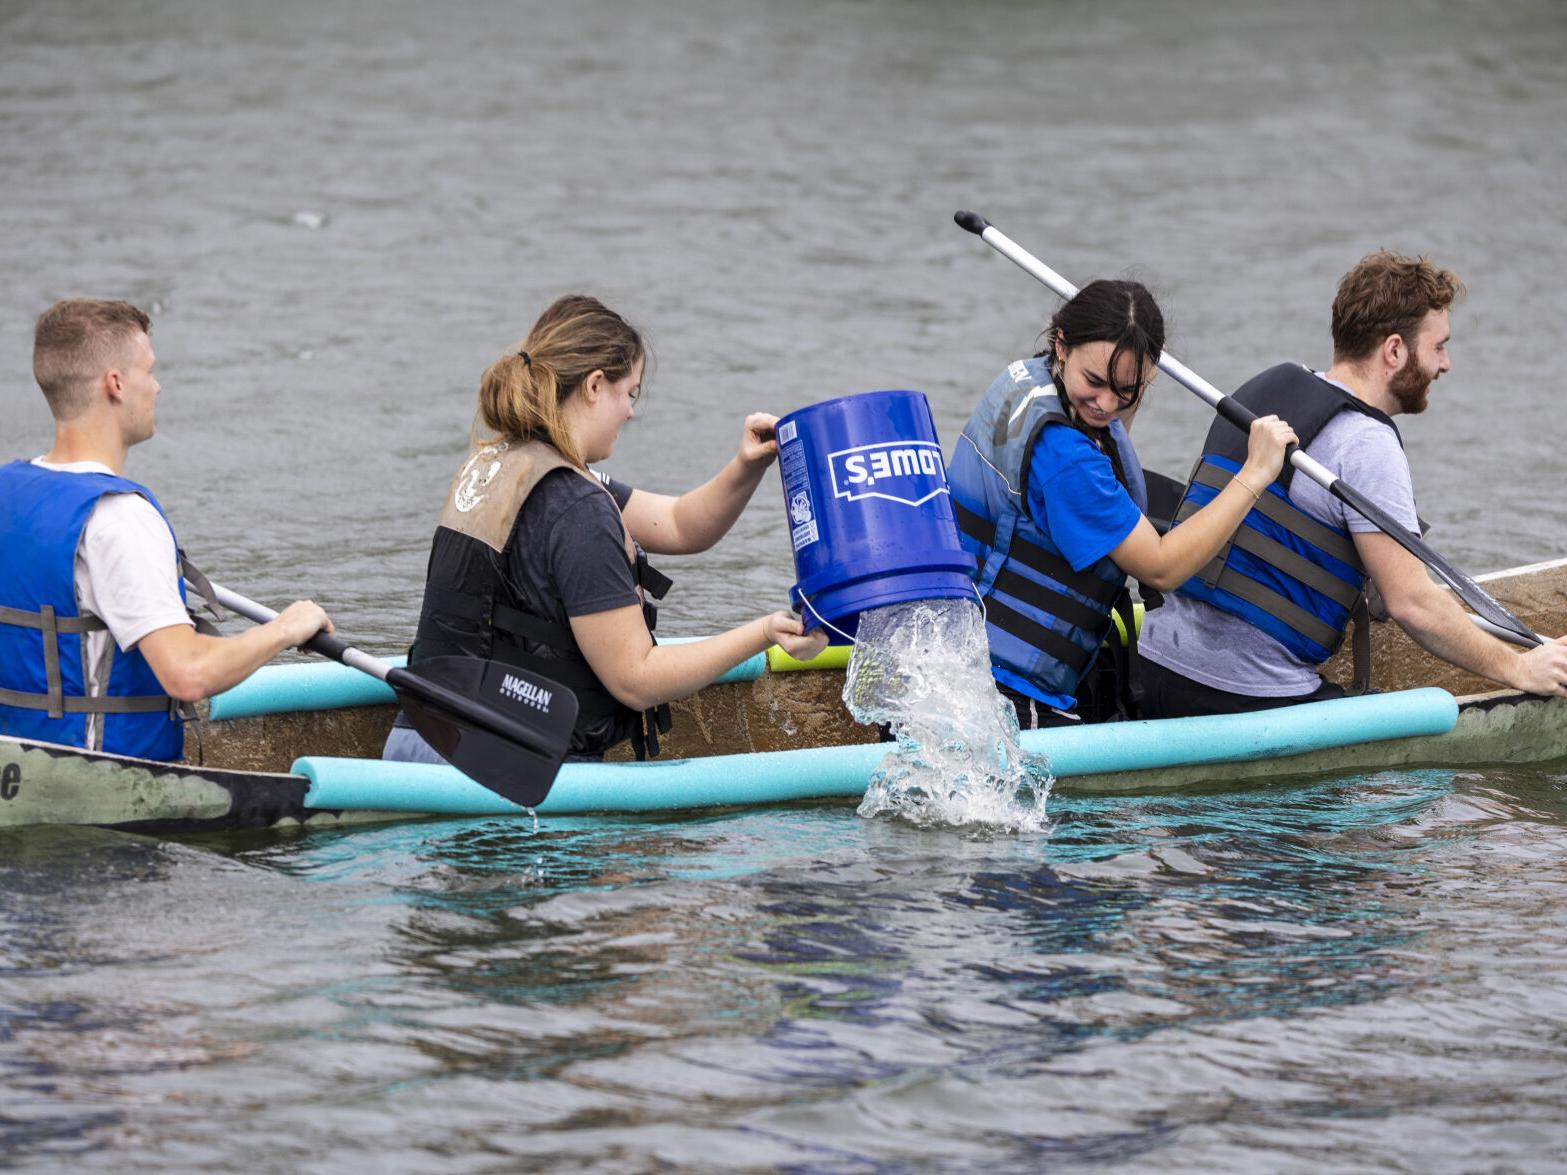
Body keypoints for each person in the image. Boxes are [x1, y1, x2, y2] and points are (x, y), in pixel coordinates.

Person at [384, 293, 826, 765]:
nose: (630, 412)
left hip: (417, 741)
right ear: (595, 385)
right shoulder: (577, 507)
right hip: (499, 765)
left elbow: (679, 524)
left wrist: (746, 465)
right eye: (629, 393)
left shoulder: (500, 465)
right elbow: (636, 679)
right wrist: (764, 632)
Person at [1138, 250, 1567, 717]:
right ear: (1395, 351)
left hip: (1154, 664)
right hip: (1245, 696)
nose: (1446, 363)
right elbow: (1412, 604)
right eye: (1439, 346)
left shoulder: (1260, 392)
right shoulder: (1366, 443)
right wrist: (1521, 669)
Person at [946, 280, 1298, 729]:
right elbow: (1161, 568)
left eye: (1127, 388)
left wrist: (1122, 378)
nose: (1107, 404)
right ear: (1061, 344)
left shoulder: (1027, 380)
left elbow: (1107, 425)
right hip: (1005, 691)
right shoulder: (1065, 458)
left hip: (963, 657)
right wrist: (1255, 472)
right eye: (1094, 382)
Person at [0, 299, 334, 761]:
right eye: (149, 370)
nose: (157, 386)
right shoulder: (119, 519)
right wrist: (285, 629)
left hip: (15, 762)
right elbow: (188, 674)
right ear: (115, 384)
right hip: (107, 786)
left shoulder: (8, 492)